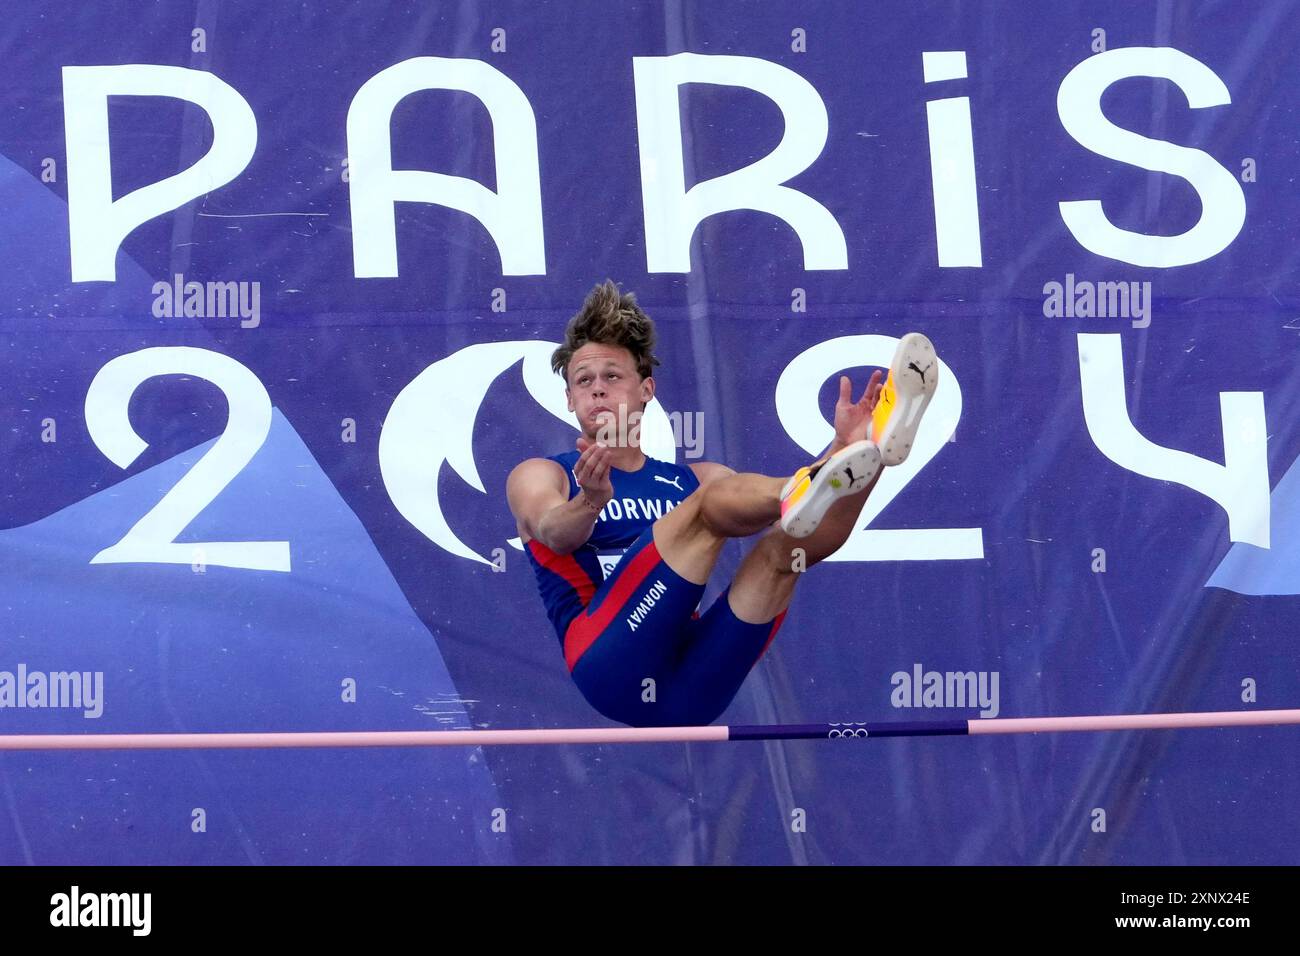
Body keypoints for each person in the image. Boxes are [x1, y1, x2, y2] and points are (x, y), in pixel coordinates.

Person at [507, 280, 938, 726]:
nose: (598, 390)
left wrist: (844, 447)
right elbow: (555, 534)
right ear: (570, 399)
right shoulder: (544, 473)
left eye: (612, 376)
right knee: (710, 505)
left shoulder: (690, 477)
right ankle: (807, 478)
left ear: (646, 390)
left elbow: (800, 515)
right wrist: (591, 502)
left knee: (785, 552)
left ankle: (876, 446)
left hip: (693, 691)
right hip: (609, 669)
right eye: (584, 381)